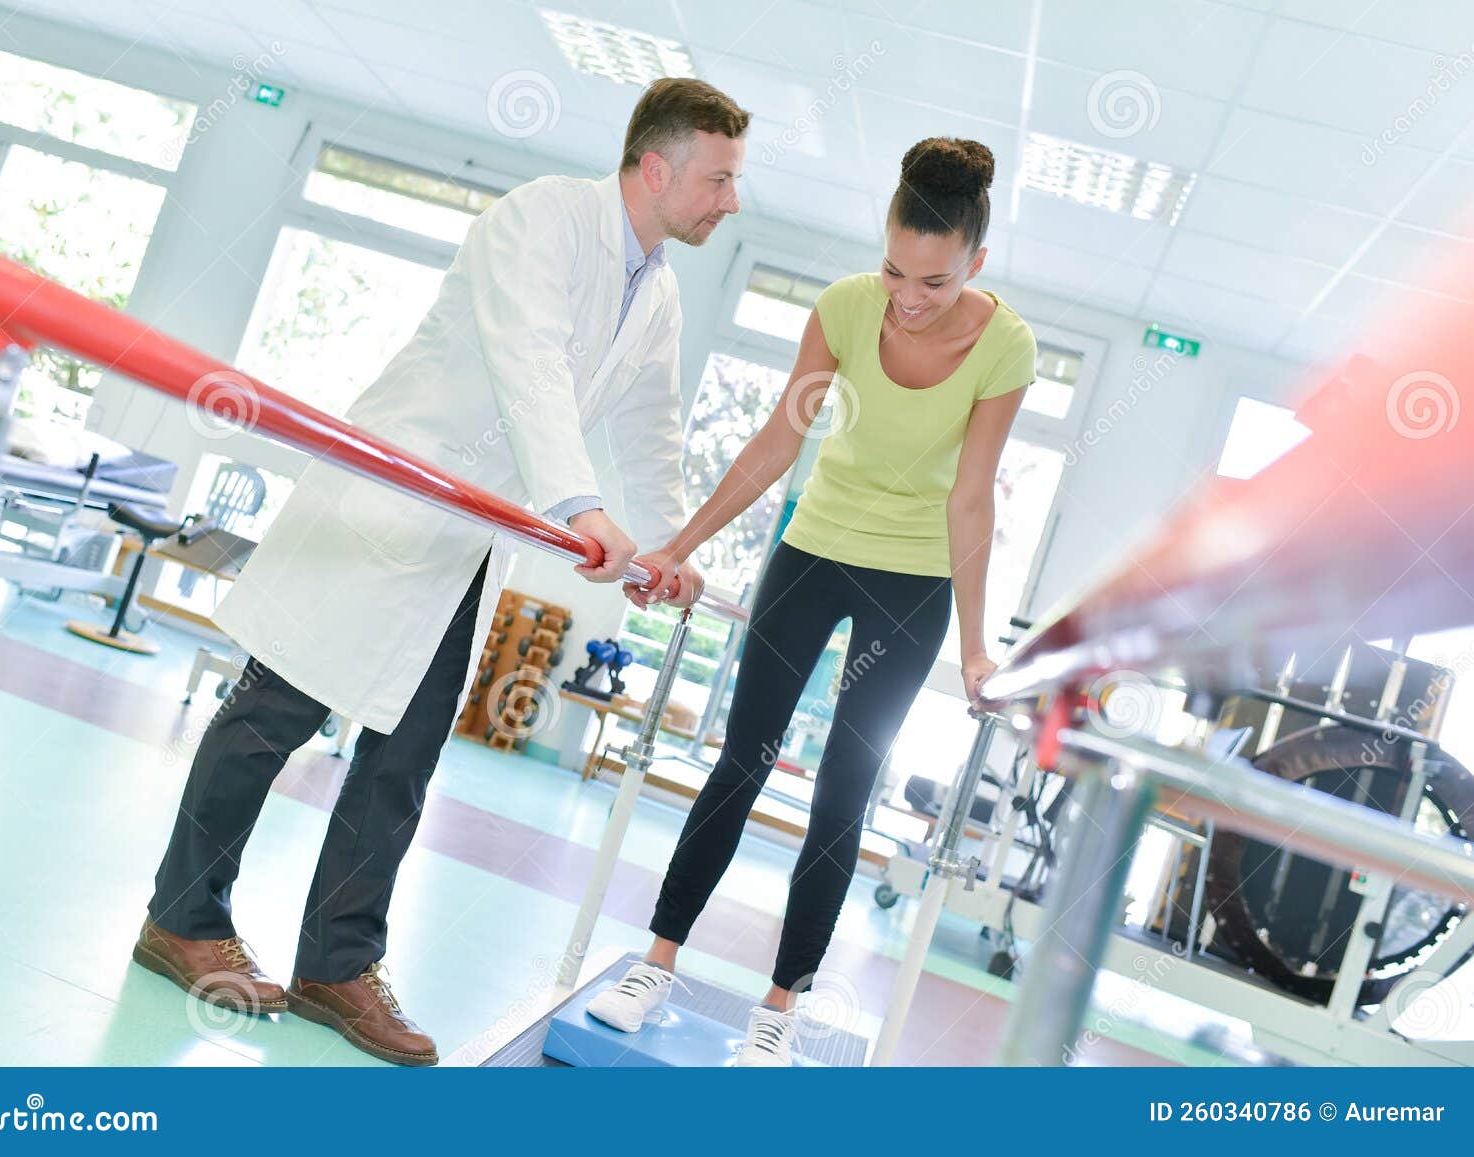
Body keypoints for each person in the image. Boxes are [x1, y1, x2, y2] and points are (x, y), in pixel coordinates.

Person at [136, 78, 749, 1066]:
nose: (731, 199)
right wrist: (581, 507)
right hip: (390, 502)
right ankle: (182, 916)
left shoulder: (660, 292)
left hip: (464, 544)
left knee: (403, 760)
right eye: (718, 179)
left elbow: (651, 426)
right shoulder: (544, 219)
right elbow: (527, 364)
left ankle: (337, 964)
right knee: (270, 717)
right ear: (656, 168)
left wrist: (670, 544)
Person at [590, 137, 1036, 1066]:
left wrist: (976, 646)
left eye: (936, 281)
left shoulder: (1006, 346)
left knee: (843, 794)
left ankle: (780, 1007)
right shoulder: (844, 307)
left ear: (977, 262)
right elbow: (775, 443)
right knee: (740, 761)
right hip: (814, 551)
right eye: (895, 271)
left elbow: (972, 495)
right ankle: (655, 962)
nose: (908, 297)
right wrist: (681, 544)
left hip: (913, 581)